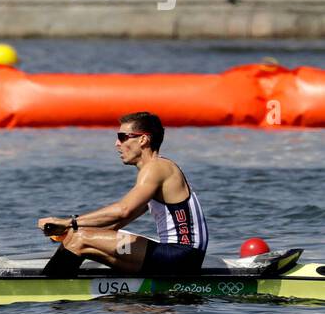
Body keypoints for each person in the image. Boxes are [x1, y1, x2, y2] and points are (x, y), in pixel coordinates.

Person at [38, 111, 208, 276]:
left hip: (179, 257)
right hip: (179, 257)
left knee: (80, 238)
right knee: (77, 236)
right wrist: (72, 230)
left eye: (122, 137)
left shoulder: (157, 168)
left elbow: (123, 210)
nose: (117, 144)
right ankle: (56, 286)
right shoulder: (156, 170)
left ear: (143, 139)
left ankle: (47, 291)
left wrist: (69, 222)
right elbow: (118, 222)